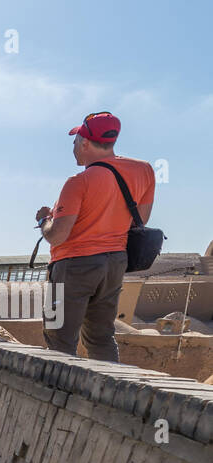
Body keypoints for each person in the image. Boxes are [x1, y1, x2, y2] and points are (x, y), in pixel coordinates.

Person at [36, 111, 155, 363]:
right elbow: (140, 220)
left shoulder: (78, 182)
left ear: (86, 143)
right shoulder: (144, 171)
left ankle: (59, 393)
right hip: (115, 263)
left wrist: (44, 221)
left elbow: (57, 236)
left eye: (76, 140)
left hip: (73, 265)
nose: (73, 146)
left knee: (59, 338)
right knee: (101, 338)